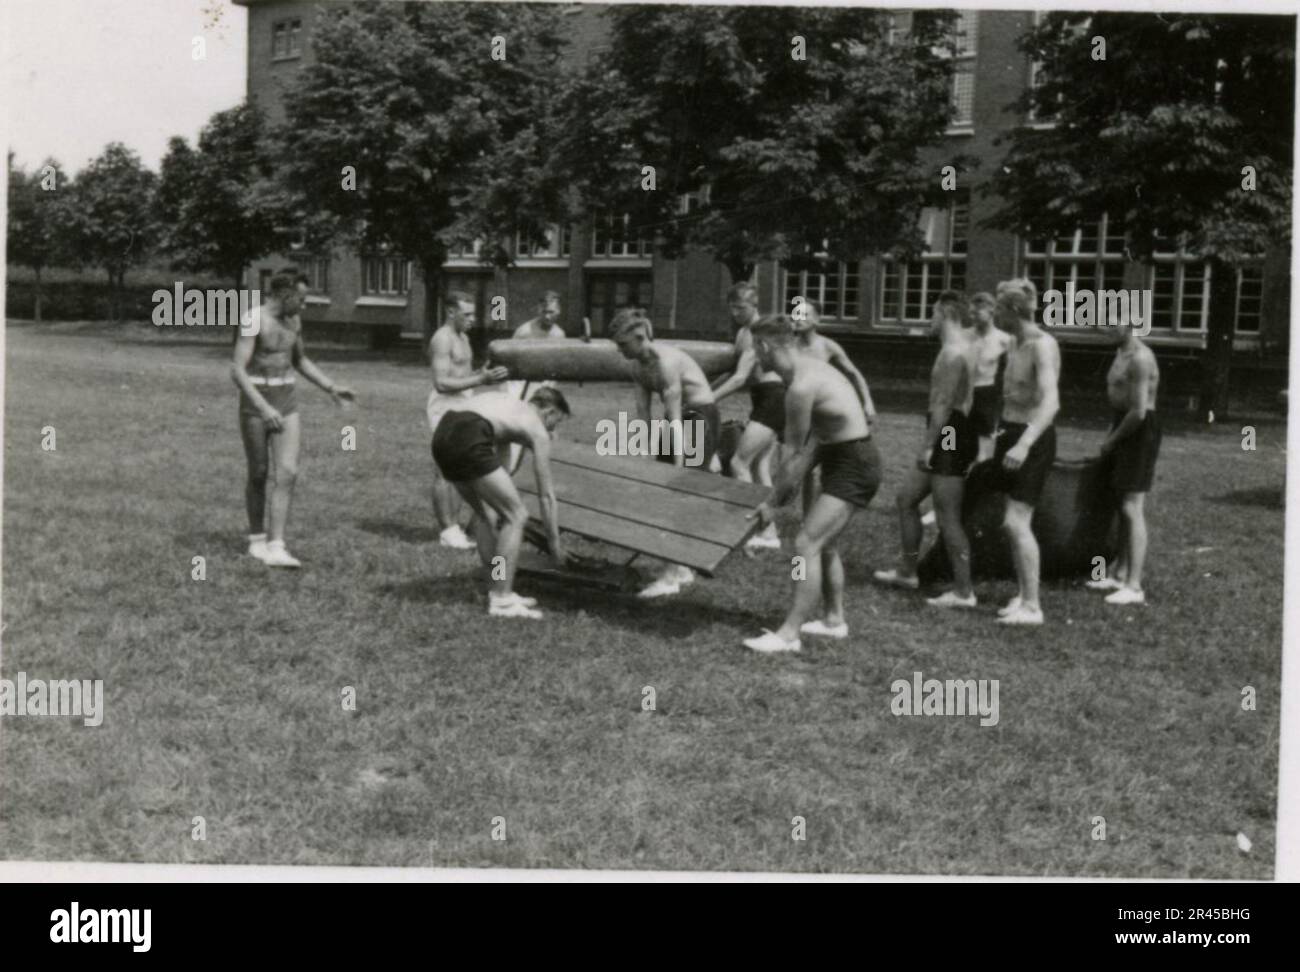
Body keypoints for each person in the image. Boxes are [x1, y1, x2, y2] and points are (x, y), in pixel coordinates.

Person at [745, 315, 882, 653]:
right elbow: (814, 447)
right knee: (825, 543)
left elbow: (792, 456)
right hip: (844, 456)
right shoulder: (809, 368)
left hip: (855, 463)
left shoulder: (800, 387)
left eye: (754, 349)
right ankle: (834, 620)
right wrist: (777, 500)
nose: (754, 358)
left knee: (806, 543)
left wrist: (772, 504)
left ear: (764, 346)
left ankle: (789, 634)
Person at [232, 270, 354, 568]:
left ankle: (277, 545)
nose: (304, 305)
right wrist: (263, 408)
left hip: (286, 401)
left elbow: (300, 360)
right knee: (259, 473)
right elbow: (237, 369)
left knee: (288, 471)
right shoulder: (253, 319)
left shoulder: (294, 322)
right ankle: (257, 540)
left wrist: (331, 386)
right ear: (284, 295)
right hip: (256, 403)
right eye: (301, 299)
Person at [873, 291, 979, 607]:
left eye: (932, 314)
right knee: (906, 499)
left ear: (946, 313)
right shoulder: (959, 348)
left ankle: (963, 591)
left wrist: (930, 446)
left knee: (948, 516)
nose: (929, 321)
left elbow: (944, 405)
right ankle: (908, 571)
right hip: (950, 428)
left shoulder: (952, 353)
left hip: (950, 432)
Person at [608, 307, 721, 598]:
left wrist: (679, 464)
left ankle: (672, 575)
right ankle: (680, 568)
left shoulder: (666, 362)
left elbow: (674, 418)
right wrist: (648, 455)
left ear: (640, 335)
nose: (620, 351)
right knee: (662, 491)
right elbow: (644, 412)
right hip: (681, 419)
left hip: (697, 416)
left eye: (623, 345)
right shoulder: (637, 366)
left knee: (677, 493)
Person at [430, 387, 571, 619]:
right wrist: (554, 545)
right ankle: (502, 600)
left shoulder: (508, 407)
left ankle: (497, 589)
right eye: (556, 422)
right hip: (469, 433)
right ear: (549, 411)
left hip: (444, 433)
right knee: (516, 516)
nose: (554, 429)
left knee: (487, 516)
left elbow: (501, 468)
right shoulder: (537, 427)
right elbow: (546, 496)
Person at [990, 283, 1061, 625]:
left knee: (1016, 522)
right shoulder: (1013, 342)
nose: (995, 316)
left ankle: (1033, 607)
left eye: (999, 310)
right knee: (1012, 522)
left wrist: (1024, 443)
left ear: (1014, 311)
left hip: (1032, 438)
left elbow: (1051, 402)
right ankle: (1023, 595)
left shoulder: (1042, 346)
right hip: (1010, 432)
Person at [1088, 307, 1161, 605]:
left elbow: (1139, 411)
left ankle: (1134, 585)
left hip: (1139, 430)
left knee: (1132, 505)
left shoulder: (1140, 358)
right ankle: (1118, 573)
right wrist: (1112, 433)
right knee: (1120, 502)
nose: (1106, 327)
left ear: (1130, 324)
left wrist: (1112, 441)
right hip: (1122, 424)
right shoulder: (1121, 352)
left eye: (1111, 322)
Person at [428, 290, 510, 549]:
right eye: (467, 314)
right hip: (444, 406)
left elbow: (462, 373)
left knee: (461, 468)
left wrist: (482, 373)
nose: (473, 319)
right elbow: (441, 383)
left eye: (474, 313)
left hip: (464, 403)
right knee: (445, 471)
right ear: (451, 312)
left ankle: (457, 528)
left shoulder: (463, 337)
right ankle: (447, 531)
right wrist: (481, 379)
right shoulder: (442, 339)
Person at [710, 282, 782, 549]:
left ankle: (753, 530)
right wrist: (707, 390)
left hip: (773, 397)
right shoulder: (742, 331)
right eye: (732, 308)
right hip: (766, 398)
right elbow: (733, 371)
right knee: (759, 467)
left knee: (739, 464)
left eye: (741, 308)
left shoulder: (757, 330)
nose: (735, 312)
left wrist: (707, 400)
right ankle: (769, 533)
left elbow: (741, 377)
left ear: (754, 306)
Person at [968, 290, 1013, 461]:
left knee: (983, 449)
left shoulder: (1004, 340)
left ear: (991, 311)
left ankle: (980, 475)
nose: (972, 317)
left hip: (987, 396)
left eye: (977, 313)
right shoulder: (965, 336)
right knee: (952, 441)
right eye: (970, 313)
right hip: (963, 393)